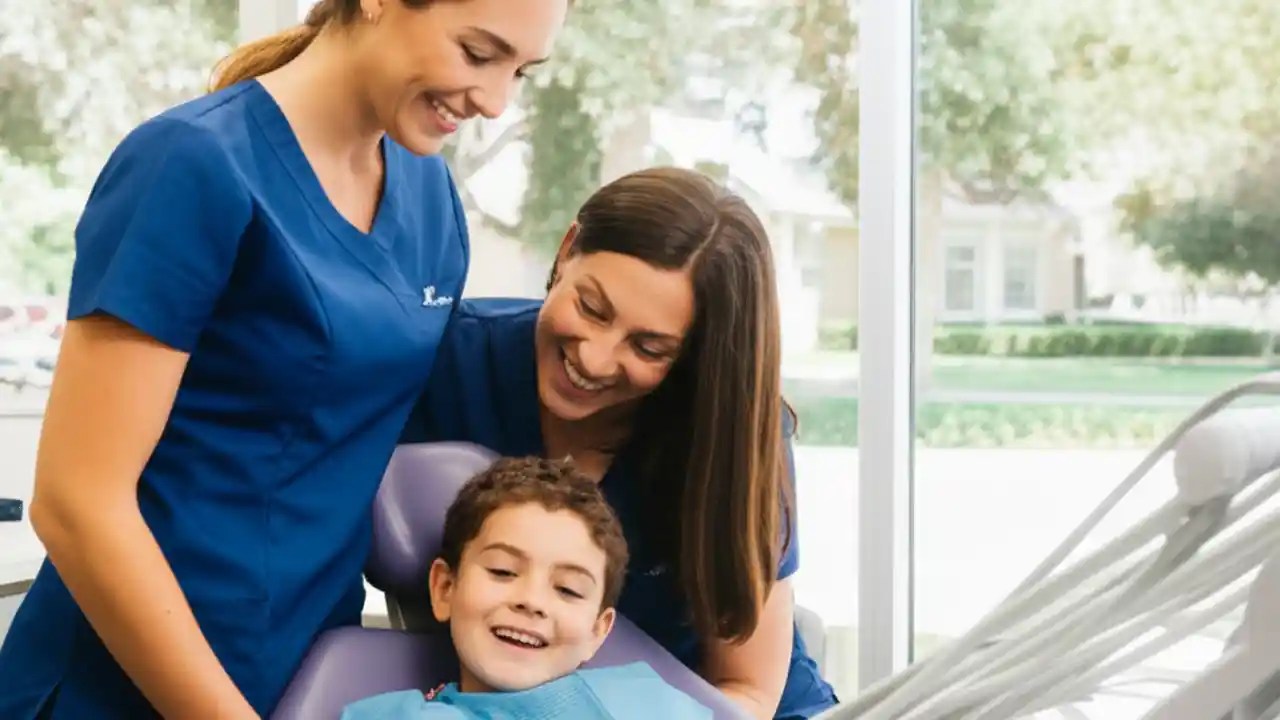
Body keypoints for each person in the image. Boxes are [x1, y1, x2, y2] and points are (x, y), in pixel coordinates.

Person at [0, 1, 567, 718]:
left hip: (307, 670)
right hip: (122, 679)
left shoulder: (431, 198)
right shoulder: (193, 164)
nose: (495, 100)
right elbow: (78, 503)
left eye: (520, 70)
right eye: (478, 53)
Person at [401, 167, 840, 719]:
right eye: (591, 308)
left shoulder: (731, 430)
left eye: (649, 347)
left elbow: (747, 691)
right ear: (566, 250)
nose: (595, 358)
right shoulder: (449, 367)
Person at [340, 456, 712, 720]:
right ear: (445, 588)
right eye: (503, 571)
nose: (532, 602)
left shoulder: (647, 703)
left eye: (567, 590)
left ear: (598, 631)